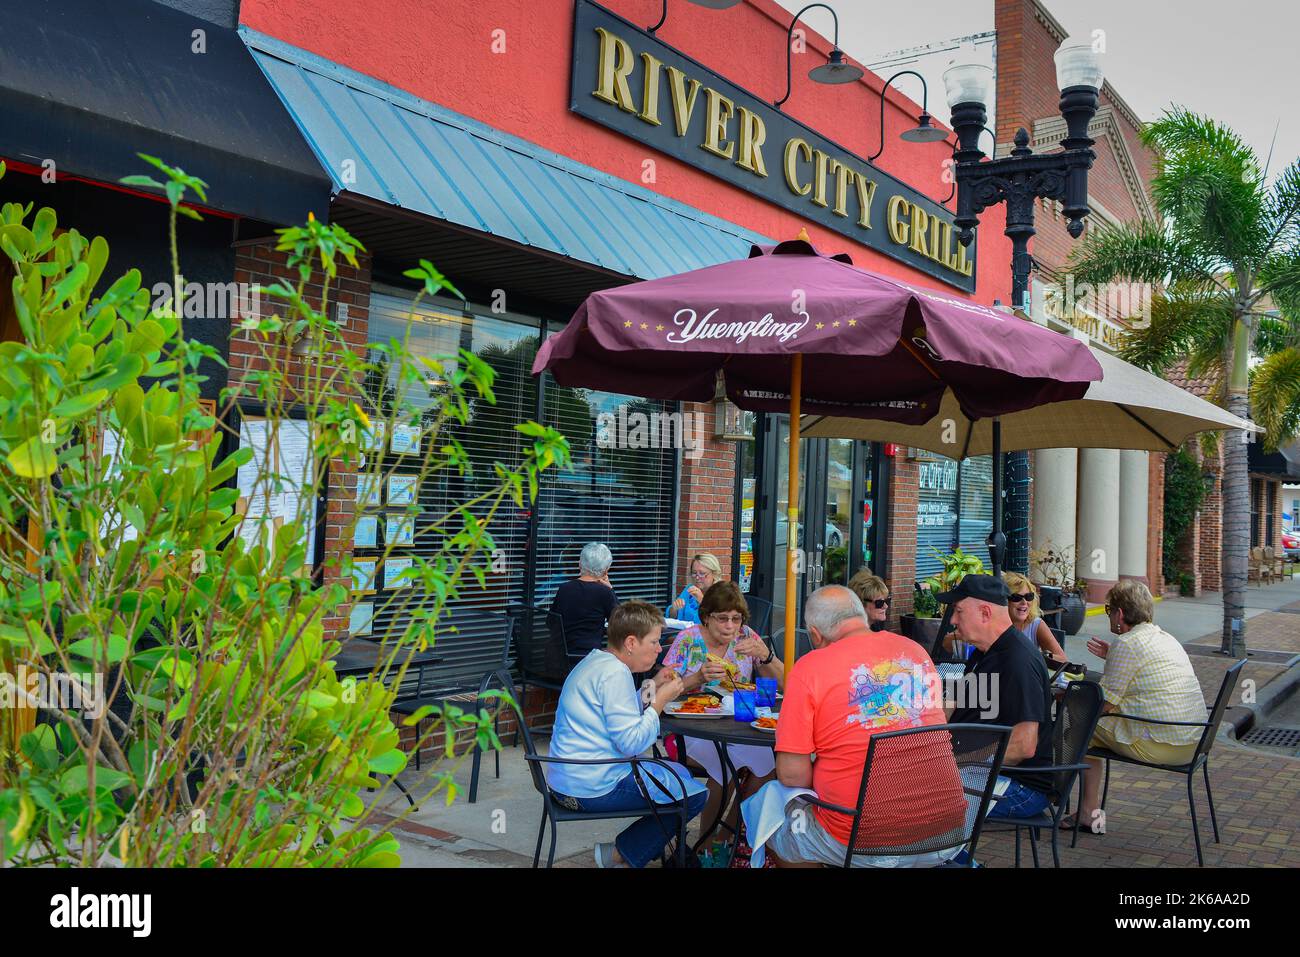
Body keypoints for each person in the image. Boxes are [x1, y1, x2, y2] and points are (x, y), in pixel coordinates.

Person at [758, 586, 967, 867]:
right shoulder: (915, 651)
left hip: (866, 840)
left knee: (774, 825)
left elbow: (792, 776)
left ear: (815, 635)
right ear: (861, 617)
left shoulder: (810, 668)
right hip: (947, 834)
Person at [546, 599, 707, 868]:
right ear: (631, 643)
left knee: (680, 775)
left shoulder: (597, 661)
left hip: (566, 780)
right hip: (590, 786)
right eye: (654, 642)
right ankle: (621, 854)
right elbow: (631, 743)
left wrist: (653, 685)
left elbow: (620, 713)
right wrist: (659, 703)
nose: (659, 649)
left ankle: (646, 848)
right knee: (693, 795)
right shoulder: (614, 674)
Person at [1062, 581, 1207, 834]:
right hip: (1192, 742)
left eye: (1109, 610)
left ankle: (1082, 810)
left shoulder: (1127, 644)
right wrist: (1113, 658)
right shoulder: (1165, 637)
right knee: (1086, 727)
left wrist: (1066, 696)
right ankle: (1088, 813)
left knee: (1078, 726)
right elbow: (1143, 674)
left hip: (1161, 746)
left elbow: (1104, 704)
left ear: (1119, 614)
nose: (1109, 615)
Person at [658, 581, 785, 841]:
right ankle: (704, 843)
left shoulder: (747, 636)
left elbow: (788, 684)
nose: (730, 626)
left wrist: (767, 655)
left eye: (736, 619)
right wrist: (695, 678)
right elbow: (657, 686)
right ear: (706, 617)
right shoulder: (689, 639)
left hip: (737, 727)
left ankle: (726, 837)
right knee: (725, 766)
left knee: (769, 767)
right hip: (688, 730)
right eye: (722, 618)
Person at [943, 574, 1055, 821]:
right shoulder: (984, 651)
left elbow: (1024, 746)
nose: (952, 620)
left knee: (922, 792)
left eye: (958, 611)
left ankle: (957, 859)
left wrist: (955, 761)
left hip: (1019, 787)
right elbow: (954, 705)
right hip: (988, 771)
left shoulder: (1017, 661)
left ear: (985, 613)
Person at [549, 543, 618, 662]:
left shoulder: (564, 588)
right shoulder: (604, 592)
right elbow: (621, 621)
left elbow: (550, 622)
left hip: (560, 660)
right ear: (606, 571)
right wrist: (611, 589)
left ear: (580, 564)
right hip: (588, 661)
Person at [1003, 572, 1066, 661]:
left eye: (1029, 596)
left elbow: (1062, 659)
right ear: (1003, 600)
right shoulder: (991, 625)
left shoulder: (1035, 624)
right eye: (1016, 597)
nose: (1024, 602)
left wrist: (1037, 656)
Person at [666, 552, 723, 624]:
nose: (697, 577)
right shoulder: (689, 589)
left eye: (702, 573)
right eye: (694, 573)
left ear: (714, 574)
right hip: (684, 634)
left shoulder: (722, 593)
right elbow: (671, 617)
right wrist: (674, 609)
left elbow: (719, 622)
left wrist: (702, 601)